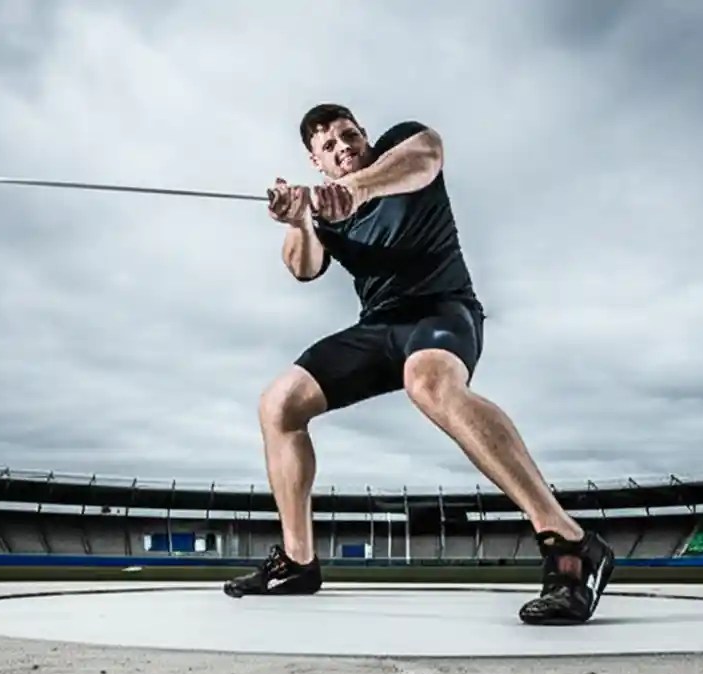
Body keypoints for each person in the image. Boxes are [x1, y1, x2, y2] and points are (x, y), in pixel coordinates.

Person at [222, 103, 615, 624]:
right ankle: (297, 562)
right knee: (279, 404)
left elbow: (426, 157)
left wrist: (360, 188)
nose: (344, 147)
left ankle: (569, 542)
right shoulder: (322, 211)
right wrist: (299, 220)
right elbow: (303, 268)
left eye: (349, 135)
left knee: (428, 382)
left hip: (443, 311)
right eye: (329, 147)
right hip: (379, 328)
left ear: (365, 135)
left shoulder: (403, 148)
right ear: (316, 163)